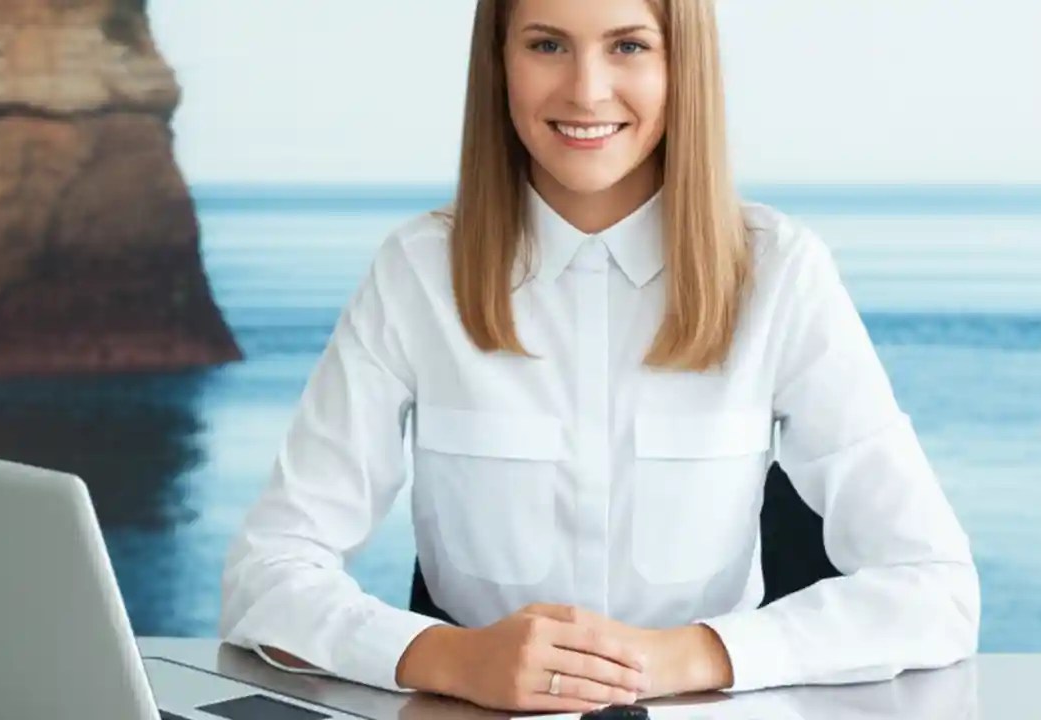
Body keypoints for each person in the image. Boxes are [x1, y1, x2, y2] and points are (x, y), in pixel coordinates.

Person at [218, 0, 980, 714]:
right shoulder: (418, 272)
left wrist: (686, 656)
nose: (587, 91)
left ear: (681, 65)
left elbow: (935, 590)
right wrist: (449, 658)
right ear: (498, 63)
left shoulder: (778, 272)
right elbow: (265, 581)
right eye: (547, 45)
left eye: (629, 46)